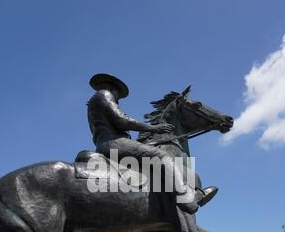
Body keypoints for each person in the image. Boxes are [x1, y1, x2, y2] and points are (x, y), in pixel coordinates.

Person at [87, 73, 211, 214]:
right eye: (118, 94)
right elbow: (122, 120)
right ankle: (185, 197)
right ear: (112, 87)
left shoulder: (96, 100)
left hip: (106, 143)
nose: (118, 98)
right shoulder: (104, 94)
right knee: (161, 155)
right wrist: (152, 128)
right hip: (114, 143)